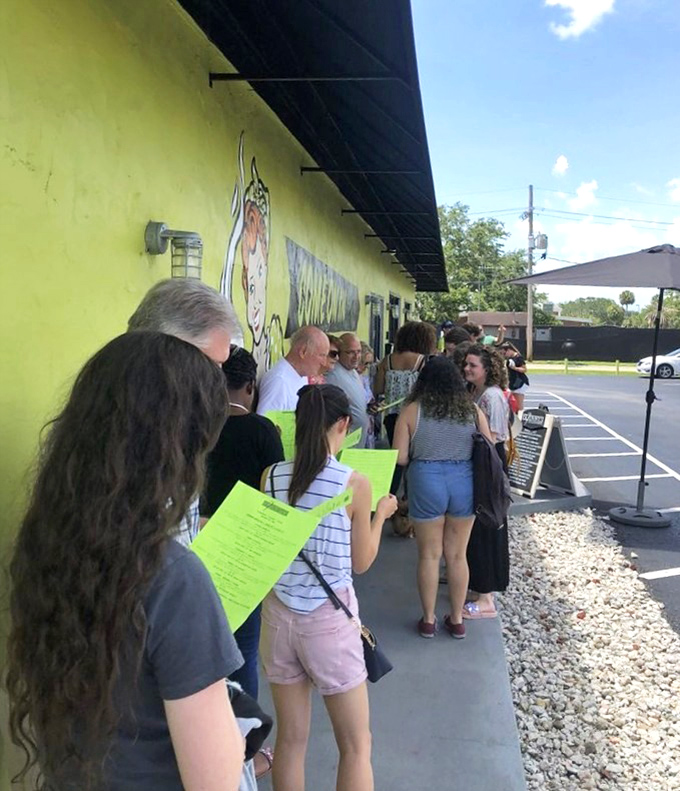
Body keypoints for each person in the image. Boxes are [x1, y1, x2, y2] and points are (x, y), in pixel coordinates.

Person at [7, 332, 245, 791]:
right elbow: (214, 781)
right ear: (176, 450)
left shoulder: (46, 542)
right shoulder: (174, 578)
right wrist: (239, 739)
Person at [260, 384, 398, 791]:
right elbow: (362, 562)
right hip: (329, 622)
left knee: (289, 739)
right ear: (342, 425)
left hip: (278, 617)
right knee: (356, 744)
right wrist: (381, 515)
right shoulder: (354, 483)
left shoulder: (270, 476)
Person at [128, 278, 241, 546]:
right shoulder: (131, 444)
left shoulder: (173, 426)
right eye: (210, 365)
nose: (218, 382)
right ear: (162, 353)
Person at [202, 345, 285, 701]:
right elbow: (278, 491)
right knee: (243, 651)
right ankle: (244, 743)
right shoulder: (263, 431)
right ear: (251, 387)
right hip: (245, 551)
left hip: (200, 543)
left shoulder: (199, 428)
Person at [393, 357, 492, 640]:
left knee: (429, 554)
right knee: (458, 554)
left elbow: (400, 457)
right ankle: (458, 619)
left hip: (426, 479)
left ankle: (428, 619)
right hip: (464, 481)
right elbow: (486, 447)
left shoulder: (412, 410)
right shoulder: (471, 410)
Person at [463, 344, 511, 619]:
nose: (467, 369)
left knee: (489, 526)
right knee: (478, 529)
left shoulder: (490, 397)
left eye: (473, 365)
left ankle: (486, 598)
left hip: (489, 464)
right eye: (466, 364)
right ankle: (478, 585)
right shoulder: (478, 393)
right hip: (483, 462)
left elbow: (491, 440)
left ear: (487, 369)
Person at [373, 321, 436, 497]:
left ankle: (389, 496)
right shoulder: (422, 361)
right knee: (415, 459)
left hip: (393, 416)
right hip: (416, 417)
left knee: (396, 460)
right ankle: (410, 498)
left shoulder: (388, 360)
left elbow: (378, 389)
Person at [256, 326, 330, 415]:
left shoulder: (300, 376)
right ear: (303, 352)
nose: (324, 363)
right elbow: (264, 424)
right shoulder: (279, 381)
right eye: (322, 355)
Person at [325, 332, 371, 448]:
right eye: (350, 352)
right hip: (344, 445)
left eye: (359, 351)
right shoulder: (332, 373)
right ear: (339, 353)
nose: (356, 357)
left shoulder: (354, 371)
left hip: (358, 442)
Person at [501, 341, 529, 410]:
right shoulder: (509, 360)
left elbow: (524, 369)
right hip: (512, 383)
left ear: (509, 350)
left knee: (518, 406)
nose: (504, 355)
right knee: (511, 404)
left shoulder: (518, 357)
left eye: (504, 353)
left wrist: (515, 368)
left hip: (520, 383)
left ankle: (519, 418)